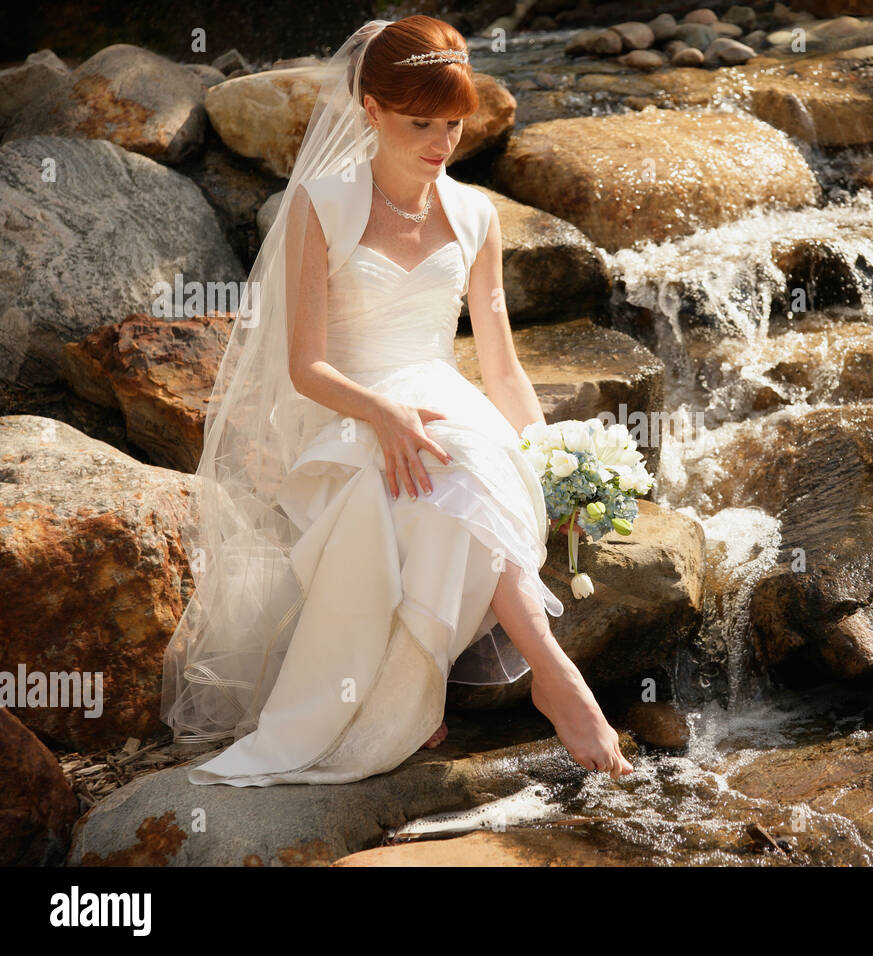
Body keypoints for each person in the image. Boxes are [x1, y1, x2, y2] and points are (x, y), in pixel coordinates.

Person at [159, 15, 634, 785]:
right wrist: (380, 416)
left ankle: (430, 691)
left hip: (445, 411)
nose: (441, 142)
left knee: (454, 470)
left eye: (453, 124)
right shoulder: (319, 204)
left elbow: (505, 370)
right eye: (420, 123)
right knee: (444, 465)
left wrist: (554, 459)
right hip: (351, 418)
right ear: (371, 110)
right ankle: (557, 678)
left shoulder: (477, 215)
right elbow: (305, 364)